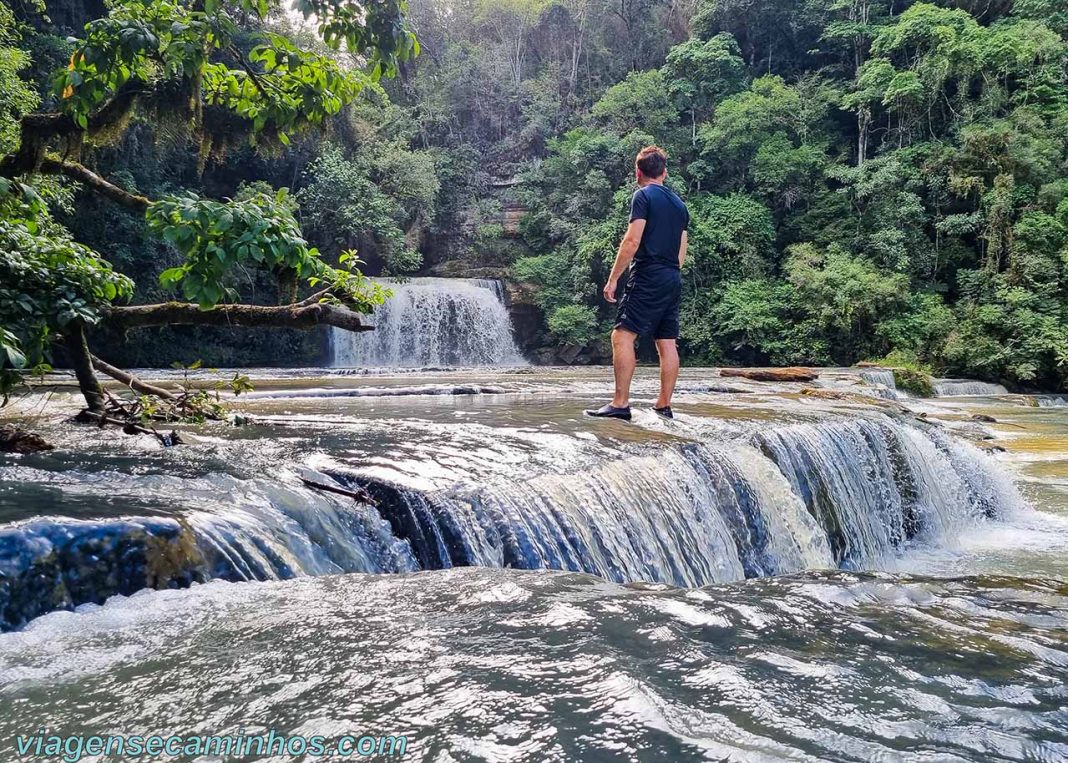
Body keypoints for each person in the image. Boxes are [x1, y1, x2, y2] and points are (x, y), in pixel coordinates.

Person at [585, 145, 689, 421]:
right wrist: (671, 272)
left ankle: (620, 404)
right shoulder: (680, 205)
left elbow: (632, 240)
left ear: (638, 172)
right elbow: (682, 249)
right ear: (664, 173)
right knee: (667, 341)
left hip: (648, 273)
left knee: (622, 335)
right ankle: (663, 405)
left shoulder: (642, 196)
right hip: (672, 276)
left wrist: (613, 278)